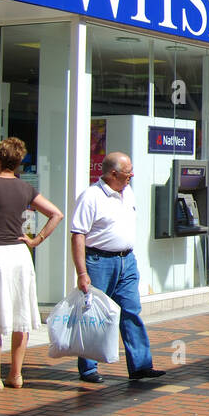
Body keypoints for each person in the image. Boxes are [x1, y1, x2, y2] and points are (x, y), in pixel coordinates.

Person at [0, 137, 63, 392]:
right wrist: (36, 240)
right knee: (20, 313)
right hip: (20, 255)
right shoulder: (26, 189)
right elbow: (56, 214)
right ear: (18, 163)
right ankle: (16, 375)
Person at [70, 152, 165, 383]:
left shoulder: (127, 192)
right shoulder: (91, 196)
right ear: (113, 174)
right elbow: (78, 235)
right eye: (127, 173)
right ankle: (89, 368)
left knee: (131, 310)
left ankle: (141, 366)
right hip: (99, 262)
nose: (131, 176)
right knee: (94, 315)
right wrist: (82, 272)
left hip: (127, 261)